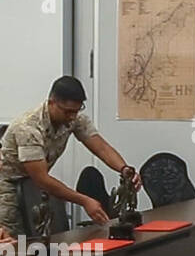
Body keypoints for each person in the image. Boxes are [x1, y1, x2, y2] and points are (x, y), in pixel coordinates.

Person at [0, 76, 140, 236]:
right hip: (8, 190)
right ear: (51, 102)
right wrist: (84, 201)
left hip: (35, 188)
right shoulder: (27, 128)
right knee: (12, 246)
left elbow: (102, 148)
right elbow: (42, 179)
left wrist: (125, 169)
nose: (73, 116)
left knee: (43, 242)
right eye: (68, 111)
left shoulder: (73, 118)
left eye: (77, 110)